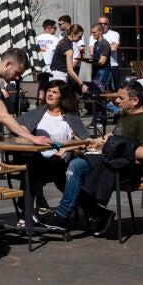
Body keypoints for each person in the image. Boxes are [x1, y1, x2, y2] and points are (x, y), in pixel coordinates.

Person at [34, 80, 143, 236]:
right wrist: (97, 141)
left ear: (135, 100)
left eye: (120, 98)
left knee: (76, 166)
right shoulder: (126, 116)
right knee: (61, 176)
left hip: (125, 169)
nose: (116, 101)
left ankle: (61, 216)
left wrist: (114, 148)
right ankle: (100, 214)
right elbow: (115, 135)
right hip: (109, 163)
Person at [18, 81, 86, 211]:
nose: (50, 94)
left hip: (61, 159)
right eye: (49, 91)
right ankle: (37, 203)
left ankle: (28, 210)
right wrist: (26, 133)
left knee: (30, 169)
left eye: (54, 92)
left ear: (62, 96)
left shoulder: (69, 117)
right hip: (39, 156)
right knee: (31, 164)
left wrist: (63, 150)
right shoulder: (38, 113)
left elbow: (82, 142)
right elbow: (19, 127)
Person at [82, 23, 113, 92]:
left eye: (94, 32)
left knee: (99, 92)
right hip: (95, 71)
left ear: (101, 32)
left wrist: (88, 61)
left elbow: (102, 61)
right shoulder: (96, 43)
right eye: (92, 32)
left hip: (103, 72)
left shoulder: (104, 44)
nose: (92, 34)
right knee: (93, 91)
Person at [98, 15, 121, 90]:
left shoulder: (114, 34)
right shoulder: (94, 35)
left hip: (113, 65)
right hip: (99, 65)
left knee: (115, 90)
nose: (103, 25)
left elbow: (114, 48)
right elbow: (92, 51)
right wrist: (108, 46)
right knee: (99, 89)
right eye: (101, 23)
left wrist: (99, 48)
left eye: (105, 23)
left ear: (108, 24)